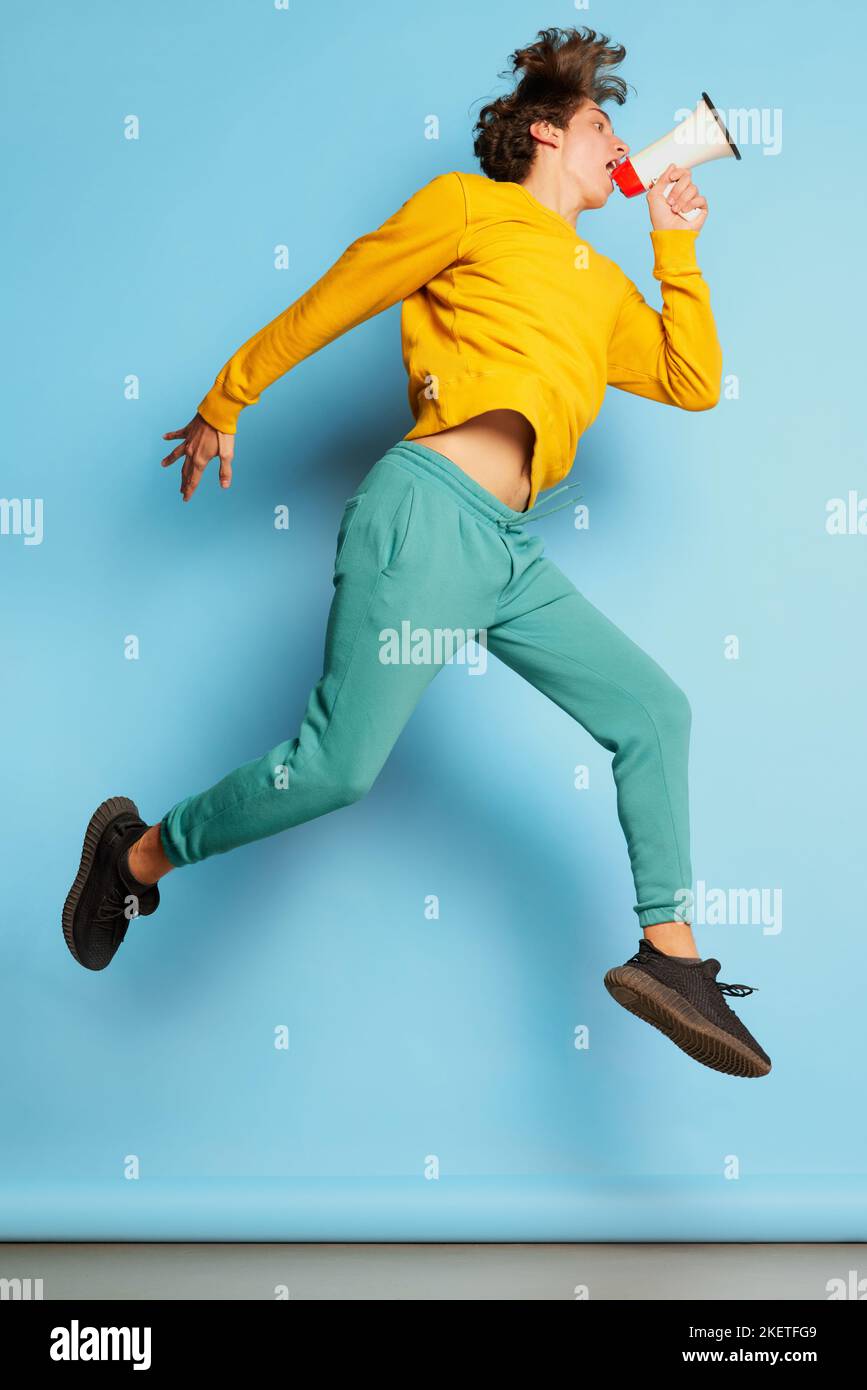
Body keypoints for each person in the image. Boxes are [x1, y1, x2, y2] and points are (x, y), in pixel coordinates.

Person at [62, 26, 770, 1079]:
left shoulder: (603, 287)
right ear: (546, 131)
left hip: (501, 549)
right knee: (336, 772)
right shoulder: (467, 207)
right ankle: (136, 851)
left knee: (654, 711)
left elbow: (693, 377)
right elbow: (345, 289)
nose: (620, 144)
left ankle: (671, 956)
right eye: (602, 125)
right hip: (426, 509)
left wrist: (675, 242)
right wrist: (230, 393)